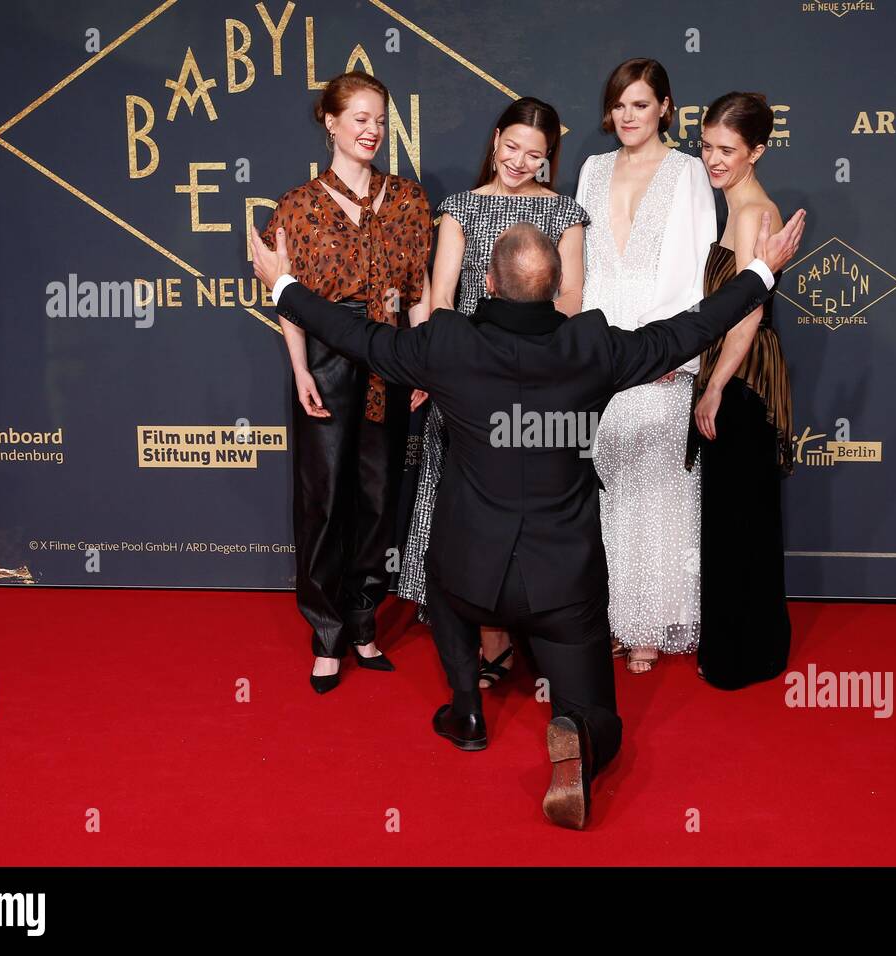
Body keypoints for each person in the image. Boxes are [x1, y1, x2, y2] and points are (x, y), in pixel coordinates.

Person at [249, 208, 806, 828]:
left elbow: (358, 338)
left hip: (467, 573)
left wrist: (282, 286)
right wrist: (762, 270)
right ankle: (579, 734)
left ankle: (465, 710)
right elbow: (687, 330)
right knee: (602, 721)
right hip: (563, 584)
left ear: (487, 282)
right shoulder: (592, 345)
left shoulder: (447, 344)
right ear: (558, 282)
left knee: (438, 568)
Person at [397, 97, 589, 691]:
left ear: (548, 159)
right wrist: (444, 367)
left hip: (540, 384)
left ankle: (538, 635)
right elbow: (442, 299)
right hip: (472, 386)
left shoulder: (566, 214)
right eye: (511, 147)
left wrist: (516, 354)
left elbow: (573, 301)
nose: (519, 161)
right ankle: (489, 641)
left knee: (536, 512)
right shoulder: (459, 209)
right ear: (496, 137)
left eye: (535, 155)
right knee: (470, 515)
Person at [259, 71, 432, 694]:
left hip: (389, 354)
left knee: (379, 497)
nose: (372, 131)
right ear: (330, 123)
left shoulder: (409, 200)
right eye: (359, 118)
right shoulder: (297, 207)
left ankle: (364, 622)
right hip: (328, 359)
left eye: (380, 120)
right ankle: (326, 633)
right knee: (325, 499)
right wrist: (301, 369)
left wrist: (422, 358)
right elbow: (290, 301)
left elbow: (421, 291)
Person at [576, 58, 717, 674]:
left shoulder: (688, 171)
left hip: (660, 349)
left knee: (658, 487)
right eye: (620, 105)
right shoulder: (591, 169)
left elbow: (697, 267)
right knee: (606, 486)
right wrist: (577, 342)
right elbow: (577, 262)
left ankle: (650, 624)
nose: (628, 116)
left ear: (665, 107)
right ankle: (608, 614)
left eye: (641, 104)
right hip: (599, 347)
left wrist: (676, 352)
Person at [689, 92, 794, 689]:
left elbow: (749, 314)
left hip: (746, 379)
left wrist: (716, 387)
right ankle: (733, 643)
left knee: (744, 516)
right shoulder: (731, 209)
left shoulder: (759, 213)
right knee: (729, 516)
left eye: (727, 149)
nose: (713, 159)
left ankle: (750, 653)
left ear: (756, 150)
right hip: (724, 371)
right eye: (706, 146)